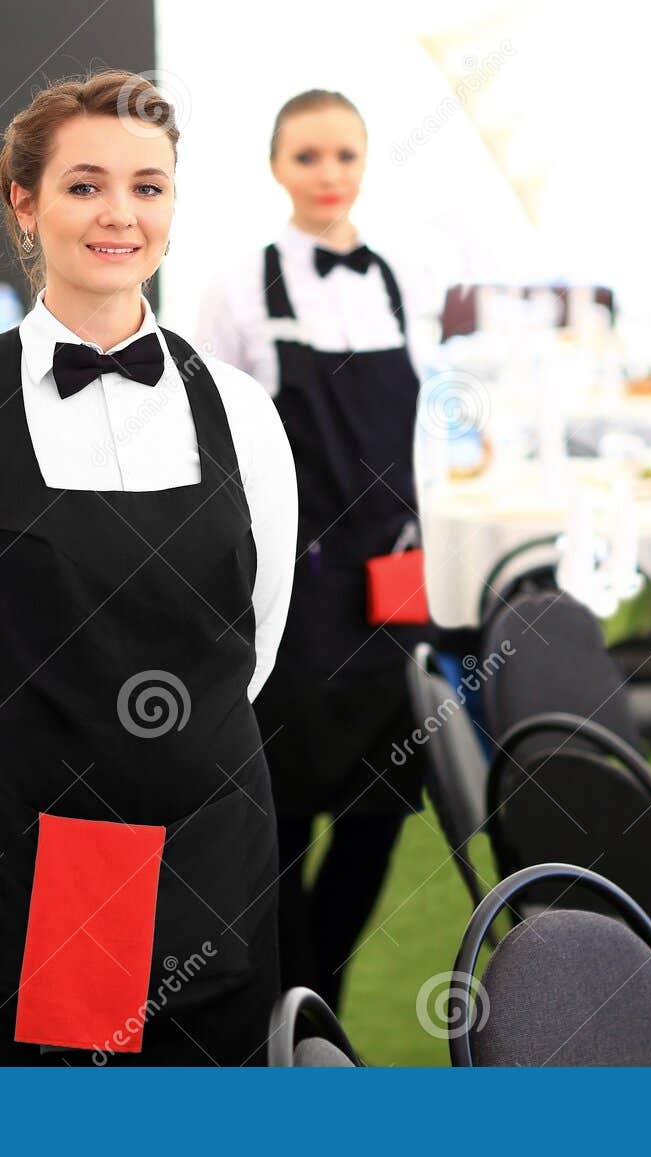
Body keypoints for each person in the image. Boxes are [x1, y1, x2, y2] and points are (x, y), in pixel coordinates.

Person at [0, 70, 297, 1065]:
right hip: (26, 859)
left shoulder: (242, 410)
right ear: (25, 199)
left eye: (148, 186)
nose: (119, 214)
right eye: (85, 184)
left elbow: (254, 643)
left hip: (209, 843)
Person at [196, 89, 440, 1012]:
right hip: (291, 586)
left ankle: (319, 993)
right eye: (307, 157)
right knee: (286, 808)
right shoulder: (237, 286)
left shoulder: (404, 279)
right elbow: (211, 437)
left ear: (366, 162)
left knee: (384, 805)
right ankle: (288, 1012)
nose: (328, 175)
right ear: (275, 167)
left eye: (344, 155)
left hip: (395, 578)